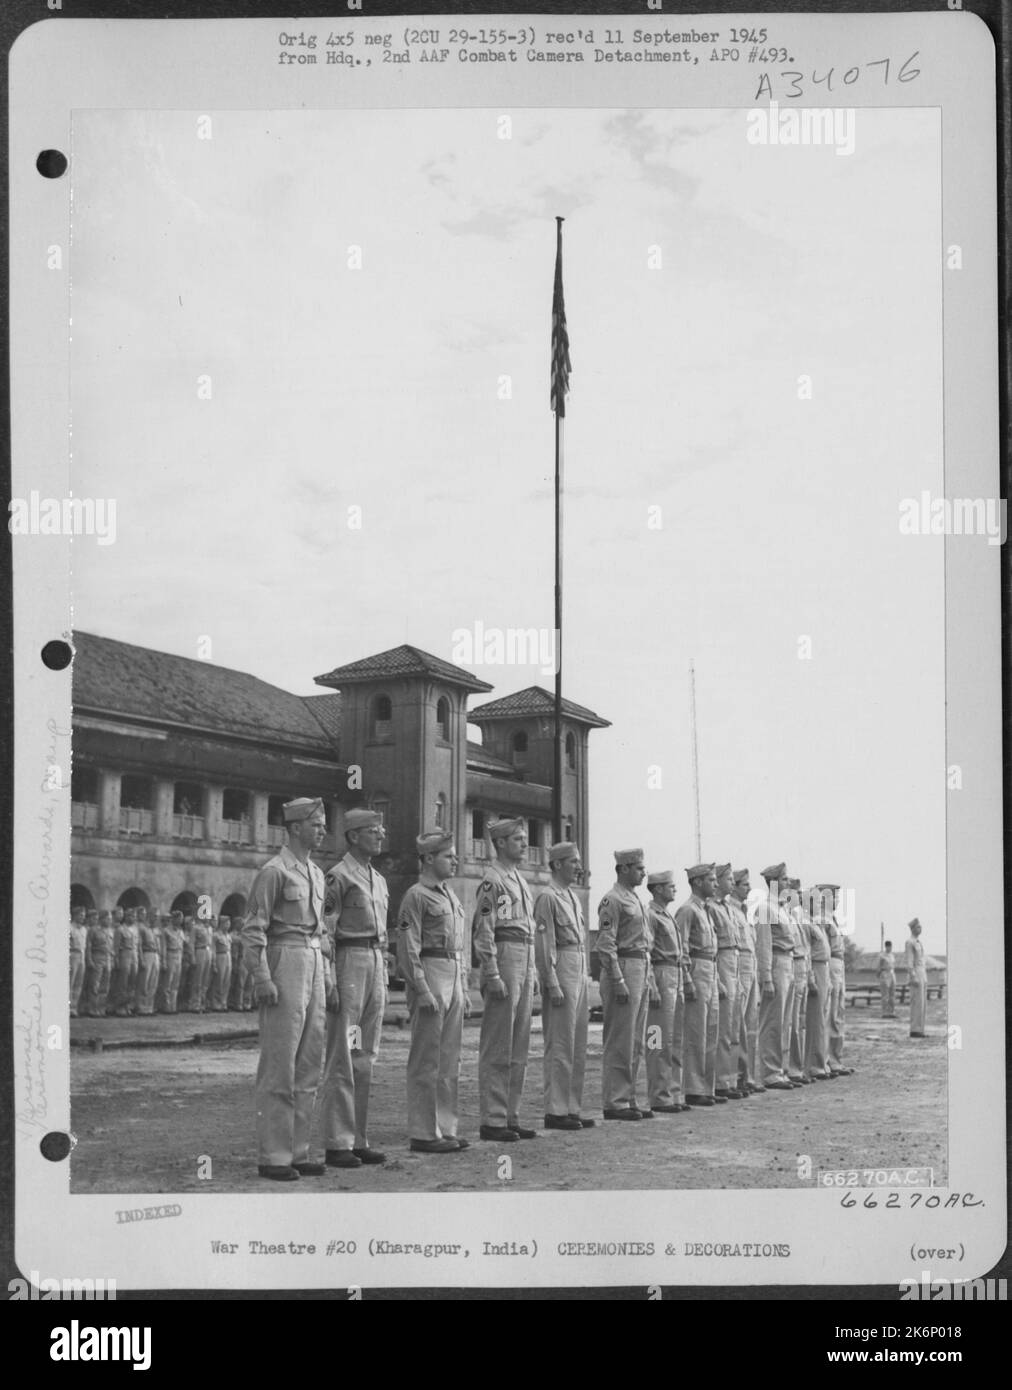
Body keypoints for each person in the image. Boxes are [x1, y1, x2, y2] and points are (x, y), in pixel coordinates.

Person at [241, 796, 330, 1181]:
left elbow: (321, 933)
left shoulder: (317, 873)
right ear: (295, 828)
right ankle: (274, 1155)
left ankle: (298, 1150)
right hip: (284, 960)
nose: (323, 830)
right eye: (316, 824)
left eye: (324, 824)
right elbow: (253, 928)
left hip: (312, 962)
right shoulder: (274, 872)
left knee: (310, 1061)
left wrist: (326, 977)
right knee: (280, 1061)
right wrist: (262, 977)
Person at [320, 807, 390, 1167]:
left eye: (380, 829)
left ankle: (358, 1137)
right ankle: (337, 1141)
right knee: (343, 1053)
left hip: (375, 962)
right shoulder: (338, 878)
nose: (380, 834)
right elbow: (326, 932)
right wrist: (329, 981)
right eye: (372, 830)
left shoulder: (378, 879)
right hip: (349, 963)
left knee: (365, 1054)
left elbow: (385, 932)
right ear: (352, 836)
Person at [397, 829, 471, 1153]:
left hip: (452, 974)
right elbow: (408, 945)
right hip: (431, 971)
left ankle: (445, 1127)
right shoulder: (416, 895)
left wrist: (464, 986)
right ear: (428, 858)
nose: (454, 860)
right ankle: (424, 1132)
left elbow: (460, 947)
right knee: (427, 1058)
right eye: (447, 855)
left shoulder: (451, 896)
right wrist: (421, 987)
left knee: (449, 1058)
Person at [472, 816, 538, 1141]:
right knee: (499, 1042)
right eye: (517, 840)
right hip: (505, 954)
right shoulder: (492, 881)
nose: (524, 844)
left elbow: (529, 929)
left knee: (520, 1043)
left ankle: (511, 1114)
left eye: (524, 839)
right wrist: (491, 971)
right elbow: (484, 929)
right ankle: (493, 1119)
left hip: (524, 955)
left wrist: (534, 970)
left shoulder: (520, 881)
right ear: (499, 843)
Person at [534, 841, 592, 1130]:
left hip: (577, 966)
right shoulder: (548, 897)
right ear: (557, 864)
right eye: (573, 862)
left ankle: (571, 1107)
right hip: (562, 967)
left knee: (577, 1043)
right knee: (560, 1042)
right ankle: (555, 1110)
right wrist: (551, 980)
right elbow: (544, 942)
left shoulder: (570, 896)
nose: (579, 867)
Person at [675, 863, 721, 1106]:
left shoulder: (706, 910)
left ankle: (706, 1087)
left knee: (711, 1029)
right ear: (697, 882)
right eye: (711, 880)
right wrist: (687, 979)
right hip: (697, 969)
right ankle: (693, 1088)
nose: (715, 883)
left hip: (711, 968)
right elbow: (680, 947)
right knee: (696, 1031)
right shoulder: (687, 910)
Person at [644, 869, 688, 1114]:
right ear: (658, 888)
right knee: (658, 1039)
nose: (674, 889)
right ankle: (659, 1095)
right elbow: (647, 951)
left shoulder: (667, 916)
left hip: (676, 973)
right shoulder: (651, 915)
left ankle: (673, 1092)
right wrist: (651, 983)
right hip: (661, 975)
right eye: (670, 886)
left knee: (675, 1039)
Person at [755, 863, 796, 1091]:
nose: (788, 883)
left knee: (785, 1021)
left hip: (787, 961)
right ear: (775, 883)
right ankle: (770, 1072)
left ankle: (781, 1068)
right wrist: (766, 977)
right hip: (776, 963)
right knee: (773, 1021)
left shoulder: (781, 908)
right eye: (785, 879)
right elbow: (764, 945)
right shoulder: (765, 909)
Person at [709, 863, 746, 1100]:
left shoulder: (730, 909)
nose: (731, 883)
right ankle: (720, 1081)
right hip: (720, 960)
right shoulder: (710, 908)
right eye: (729, 879)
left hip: (734, 961)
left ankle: (731, 1078)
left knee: (734, 1026)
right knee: (721, 1028)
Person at [730, 869, 760, 1093]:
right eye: (745, 885)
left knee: (750, 1027)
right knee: (735, 1026)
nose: (749, 889)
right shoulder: (728, 910)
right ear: (733, 886)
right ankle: (735, 1077)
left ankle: (747, 1076)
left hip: (751, 969)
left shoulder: (744, 912)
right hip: (738, 969)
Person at [821, 883, 854, 1075]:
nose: (838, 901)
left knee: (839, 1014)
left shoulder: (832, 919)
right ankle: (827, 1061)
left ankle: (836, 1059)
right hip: (830, 964)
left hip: (839, 965)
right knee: (830, 1013)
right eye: (834, 897)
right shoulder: (822, 920)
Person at [803, 887, 833, 1080]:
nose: (821, 904)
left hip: (825, 968)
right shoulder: (806, 923)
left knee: (823, 1018)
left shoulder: (818, 924)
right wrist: (811, 977)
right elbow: (807, 953)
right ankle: (814, 1065)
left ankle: (822, 1062)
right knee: (815, 1020)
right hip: (816, 967)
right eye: (817, 901)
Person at [785, 877, 810, 1085]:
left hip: (802, 966)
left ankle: (798, 1067)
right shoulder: (785, 915)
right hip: (791, 965)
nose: (800, 895)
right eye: (796, 891)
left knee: (800, 1021)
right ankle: (791, 1069)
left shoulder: (798, 916)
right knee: (791, 1021)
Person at [157, 912, 184, 1013]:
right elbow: (163, 947)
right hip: (170, 954)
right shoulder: (166, 931)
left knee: (175, 983)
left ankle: (173, 1006)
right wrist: (163, 960)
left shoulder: (180, 931)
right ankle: (166, 1006)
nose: (181, 921)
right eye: (179, 919)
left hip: (179, 955)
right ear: (174, 919)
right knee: (167, 982)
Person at [136, 908, 161, 1015]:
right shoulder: (142, 928)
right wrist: (141, 959)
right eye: (155, 916)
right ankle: (141, 1007)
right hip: (147, 954)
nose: (156, 918)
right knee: (144, 982)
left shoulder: (154, 929)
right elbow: (139, 945)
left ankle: (149, 1007)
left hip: (155, 954)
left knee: (153, 982)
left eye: (157, 916)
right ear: (149, 915)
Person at [905, 918, 927, 1037]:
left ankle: (920, 1029)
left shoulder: (918, 942)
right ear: (913, 929)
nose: (920, 928)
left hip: (922, 972)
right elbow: (909, 962)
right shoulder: (910, 942)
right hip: (916, 973)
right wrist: (913, 977)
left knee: (922, 1003)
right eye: (918, 927)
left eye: (921, 926)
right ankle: (915, 1029)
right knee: (916, 1002)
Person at [188, 912, 213, 1013]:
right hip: (200, 951)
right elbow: (191, 943)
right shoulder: (196, 928)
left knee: (205, 980)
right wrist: (193, 957)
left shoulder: (210, 929)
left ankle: (202, 1004)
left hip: (208, 952)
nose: (207, 918)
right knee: (197, 979)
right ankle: (195, 1005)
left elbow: (211, 944)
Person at [210, 915, 233, 1010]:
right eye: (226, 923)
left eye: (229, 923)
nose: (228, 925)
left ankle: (224, 1003)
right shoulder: (216, 935)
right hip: (220, 956)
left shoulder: (228, 935)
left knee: (226, 981)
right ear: (222, 924)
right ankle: (216, 1003)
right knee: (219, 980)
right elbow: (213, 949)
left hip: (228, 956)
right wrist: (214, 963)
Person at [69, 906, 87, 1017]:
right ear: (74, 915)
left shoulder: (84, 929)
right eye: (80, 915)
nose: (82, 917)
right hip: (72, 954)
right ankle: (67, 1008)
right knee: (70, 982)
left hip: (82, 955)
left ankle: (74, 1008)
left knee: (78, 983)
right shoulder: (69, 928)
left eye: (83, 916)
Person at [878, 939, 897, 1018]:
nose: (890, 948)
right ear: (886, 947)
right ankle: (884, 1012)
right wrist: (879, 975)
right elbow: (879, 966)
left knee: (892, 994)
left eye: (891, 947)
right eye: (888, 946)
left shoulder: (892, 955)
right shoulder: (882, 955)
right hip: (885, 973)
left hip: (892, 973)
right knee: (885, 994)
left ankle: (892, 1012)